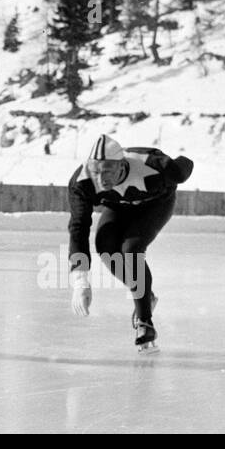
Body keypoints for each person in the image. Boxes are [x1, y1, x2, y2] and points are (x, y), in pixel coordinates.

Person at [66, 135, 194, 353]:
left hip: (155, 205)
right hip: (119, 207)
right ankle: (145, 295)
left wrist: (177, 168)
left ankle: (145, 322)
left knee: (131, 250)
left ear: (123, 164)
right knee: (105, 246)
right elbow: (78, 227)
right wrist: (80, 280)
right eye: (95, 170)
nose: (101, 178)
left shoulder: (153, 166)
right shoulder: (82, 182)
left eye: (107, 170)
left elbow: (185, 166)